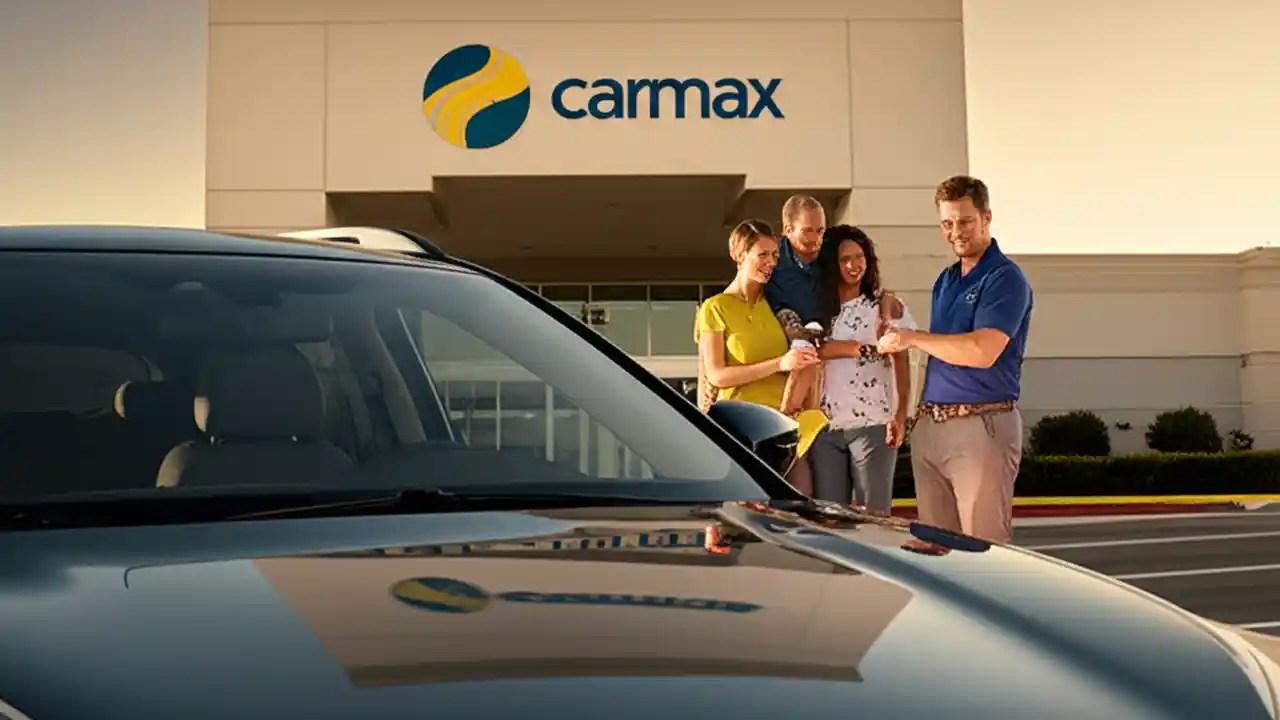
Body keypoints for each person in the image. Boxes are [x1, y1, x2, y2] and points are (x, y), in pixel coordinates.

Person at [876, 175, 1034, 543]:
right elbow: (943, 347)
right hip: (932, 427)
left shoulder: (1005, 278)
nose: (956, 231)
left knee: (983, 555)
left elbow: (982, 351)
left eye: (965, 221)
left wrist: (911, 338)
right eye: (947, 223)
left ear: (986, 217)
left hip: (980, 427)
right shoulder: (946, 280)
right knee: (938, 555)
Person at [695, 218, 821, 492]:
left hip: (785, 431)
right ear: (739, 255)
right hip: (741, 433)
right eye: (762, 254)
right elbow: (716, 375)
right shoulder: (714, 308)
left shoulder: (777, 307)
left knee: (797, 512)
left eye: (775, 255)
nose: (771, 262)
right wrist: (779, 363)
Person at [807, 225, 917, 515]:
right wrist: (859, 347)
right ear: (832, 264)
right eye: (845, 260)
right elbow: (808, 351)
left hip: (872, 425)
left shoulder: (885, 306)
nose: (854, 266)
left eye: (860, 257)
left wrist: (900, 414)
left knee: (874, 517)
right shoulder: (818, 310)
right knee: (829, 518)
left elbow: (901, 362)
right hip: (825, 428)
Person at [764, 194, 827, 417]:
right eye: (808, 230)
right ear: (787, 229)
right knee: (803, 346)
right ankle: (787, 417)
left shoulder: (830, 256)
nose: (816, 239)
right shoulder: (771, 258)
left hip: (822, 340)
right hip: (780, 339)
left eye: (820, 231)